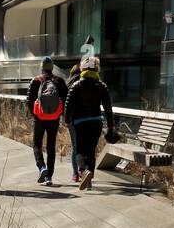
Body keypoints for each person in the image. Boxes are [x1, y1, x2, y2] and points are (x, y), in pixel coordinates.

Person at [64, 54, 117, 191]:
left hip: (80, 123)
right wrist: (111, 126)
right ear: (97, 69)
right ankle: (89, 179)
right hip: (96, 122)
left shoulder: (76, 85)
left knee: (80, 150)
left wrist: (67, 120)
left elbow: (68, 105)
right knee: (91, 151)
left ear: (82, 68)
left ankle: (83, 171)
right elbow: (108, 109)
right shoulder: (102, 86)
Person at [24, 56, 67, 186]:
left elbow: (29, 100)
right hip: (54, 118)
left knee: (37, 144)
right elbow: (66, 99)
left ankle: (42, 167)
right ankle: (49, 177)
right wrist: (60, 114)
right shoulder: (59, 81)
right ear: (52, 67)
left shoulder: (36, 80)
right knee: (51, 146)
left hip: (39, 118)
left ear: (42, 67)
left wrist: (35, 114)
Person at [66, 63, 82, 183]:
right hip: (83, 119)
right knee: (84, 146)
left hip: (71, 120)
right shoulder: (83, 83)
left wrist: (66, 119)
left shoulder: (68, 84)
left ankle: (75, 174)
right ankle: (83, 171)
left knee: (75, 147)